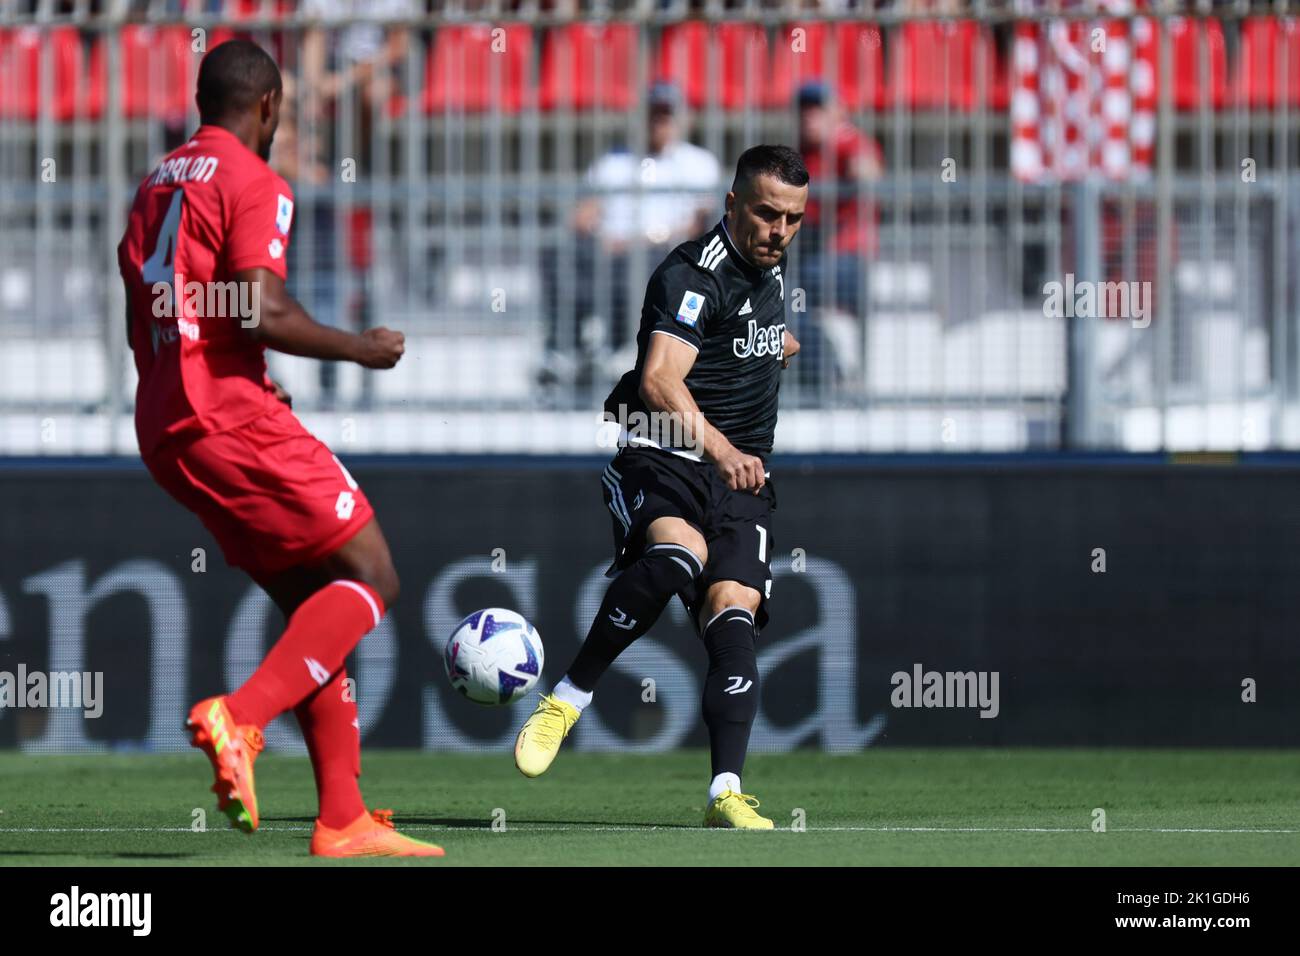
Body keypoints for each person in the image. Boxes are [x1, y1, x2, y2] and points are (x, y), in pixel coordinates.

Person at [116, 40, 440, 858]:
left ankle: (343, 818)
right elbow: (259, 308)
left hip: (166, 418)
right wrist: (357, 349)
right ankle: (242, 718)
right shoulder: (255, 180)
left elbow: (162, 310)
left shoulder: (155, 183)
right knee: (373, 574)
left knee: (316, 603)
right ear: (269, 108)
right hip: (225, 415)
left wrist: (228, 374)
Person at [515, 145, 808, 829]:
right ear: (731, 204)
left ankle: (724, 792)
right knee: (679, 558)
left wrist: (774, 343)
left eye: (792, 219)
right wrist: (726, 446)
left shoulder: (771, 265)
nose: (779, 230)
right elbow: (658, 381)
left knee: (732, 616)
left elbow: (745, 335)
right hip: (665, 454)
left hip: (740, 477)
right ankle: (569, 696)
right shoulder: (690, 274)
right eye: (766, 213)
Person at [544, 82, 721, 386]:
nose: (659, 122)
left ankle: (621, 348)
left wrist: (646, 239)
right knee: (558, 257)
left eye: (666, 114)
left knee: (648, 266)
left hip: (664, 250)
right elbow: (583, 214)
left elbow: (698, 225)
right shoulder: (613, 161)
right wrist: (598, 235)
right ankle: (567, 350)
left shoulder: (698, 163)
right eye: (654, 114)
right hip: (608, 249)